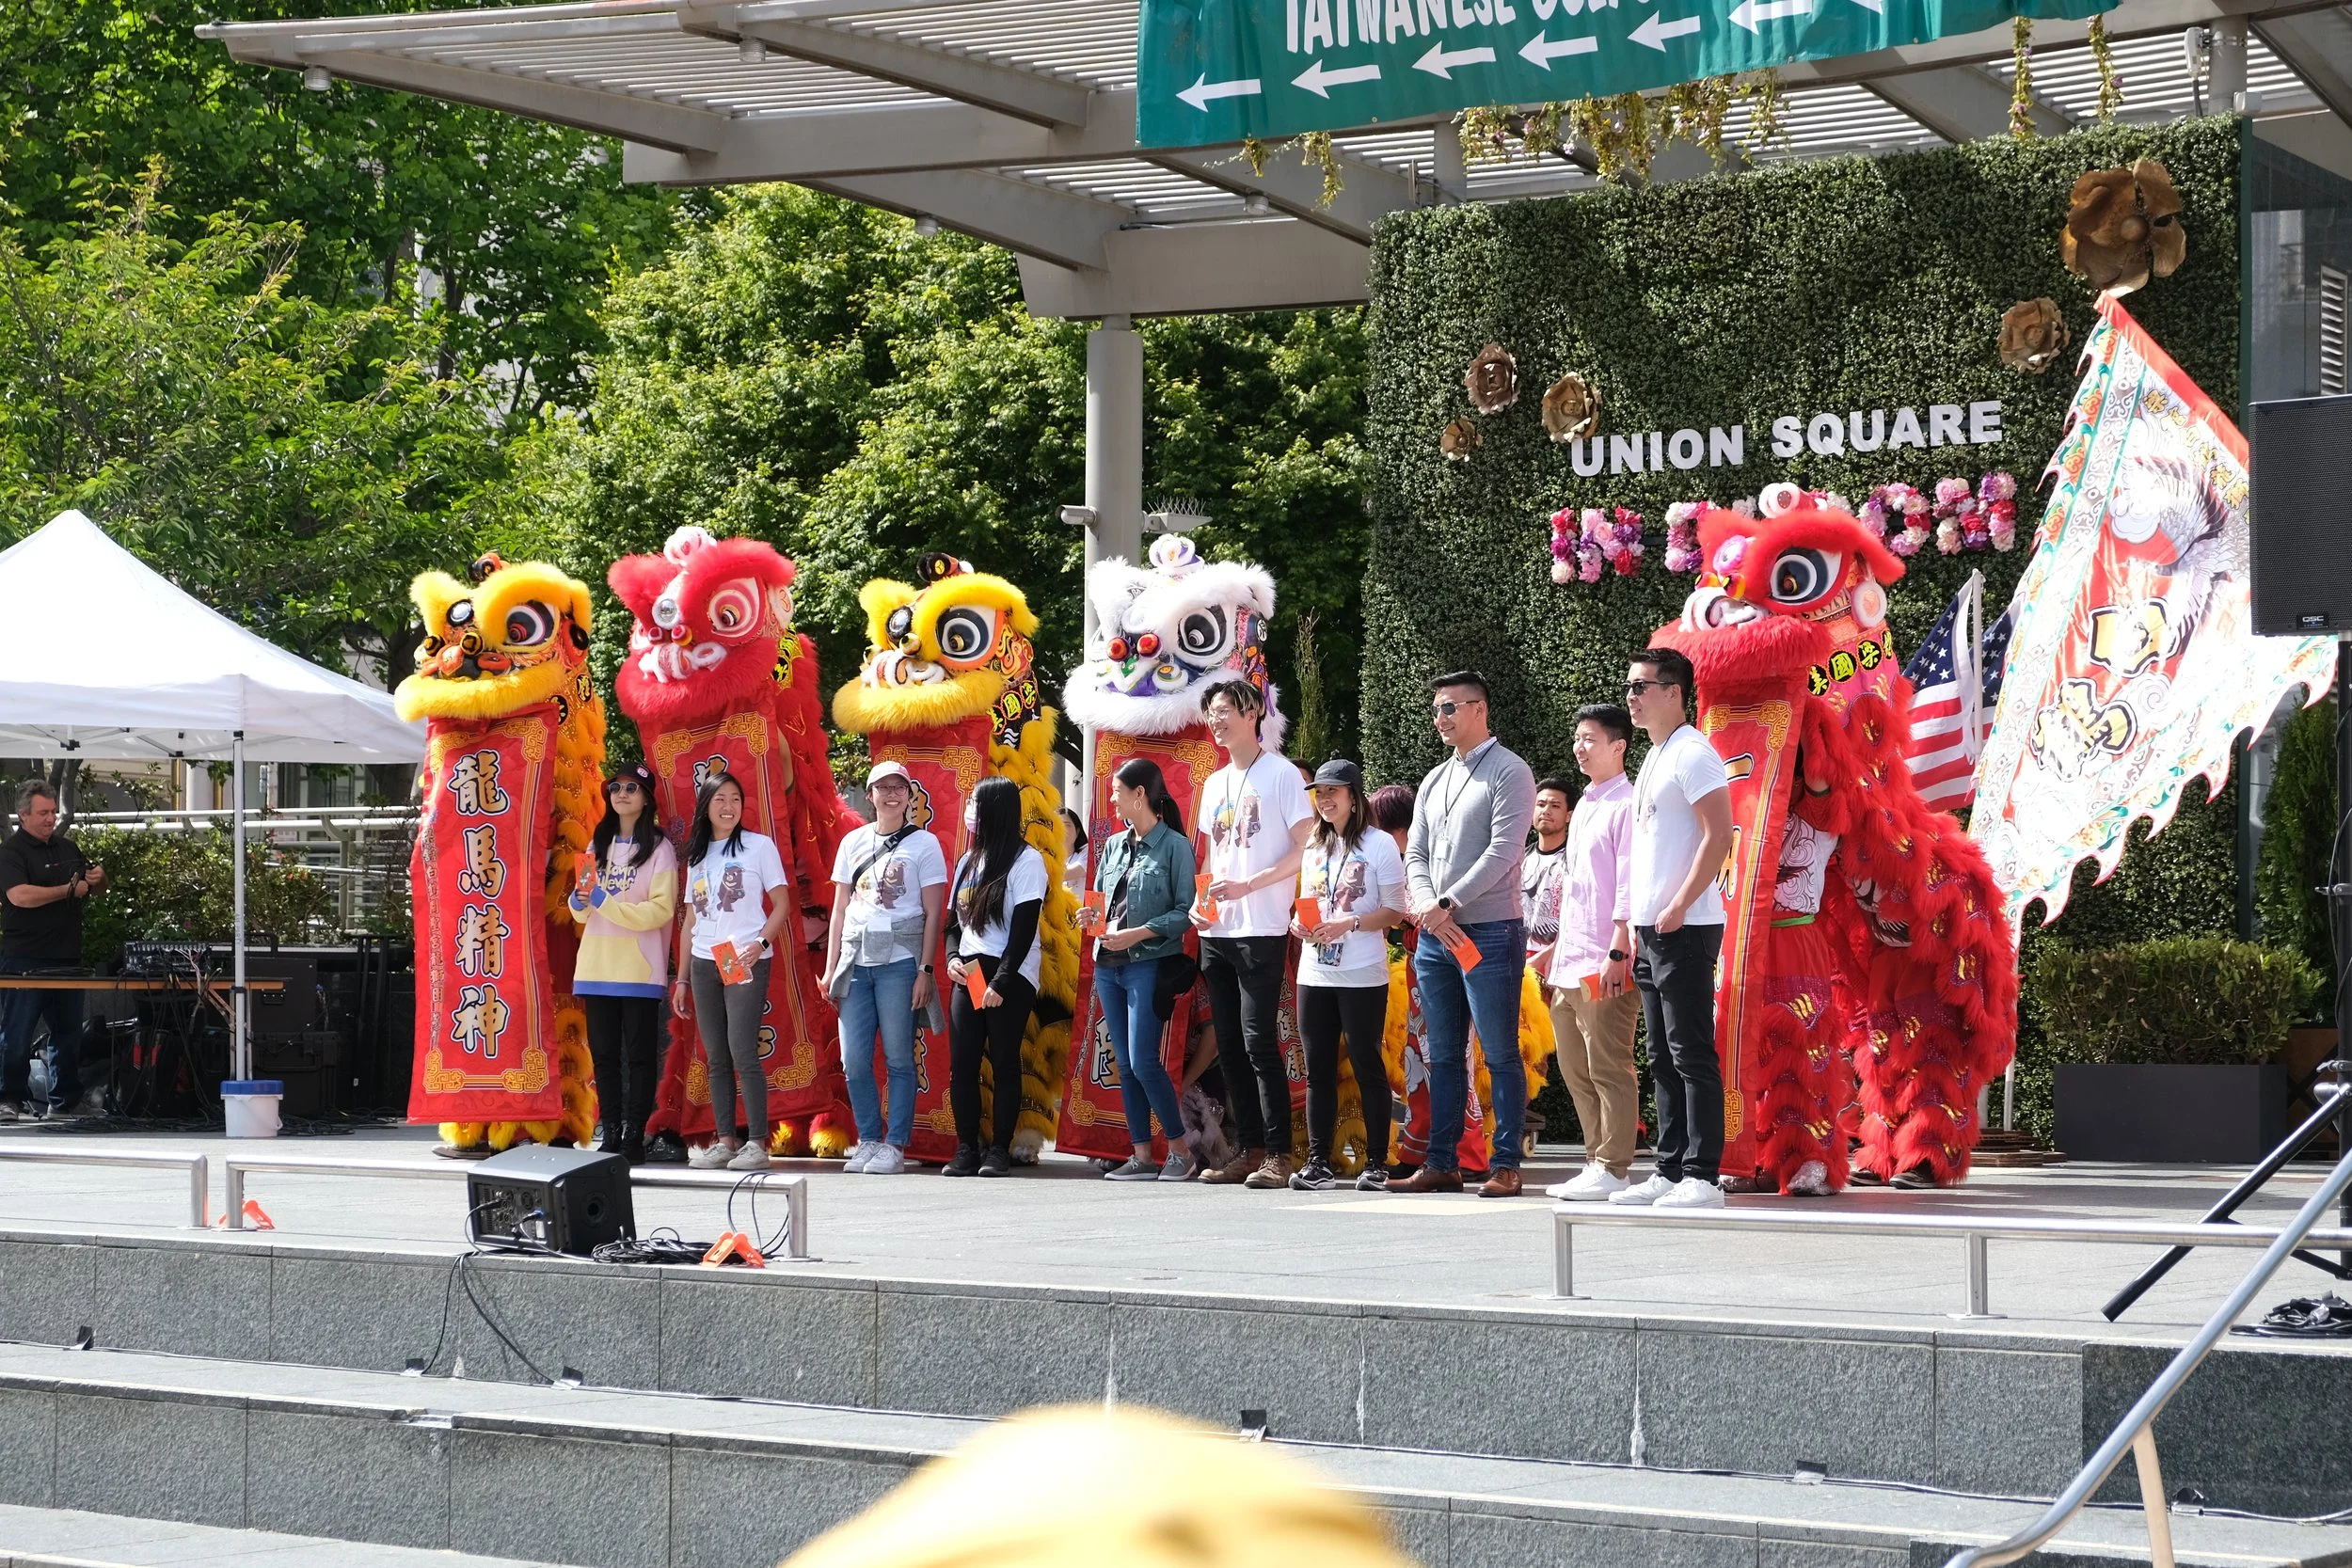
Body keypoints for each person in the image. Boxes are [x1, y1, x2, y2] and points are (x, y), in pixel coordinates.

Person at [1402, 671, 1537, 1198]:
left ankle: (1506, 1164)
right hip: (1437, 934)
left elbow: (1505, 851)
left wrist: (1445, 902)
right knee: (1443, 1052)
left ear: (1480, 709)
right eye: (1436, 709)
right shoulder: (1435, 778)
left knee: (1499, 1051)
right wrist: (1423, 903)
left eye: (1450, 708)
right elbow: (1415, 852)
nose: (1440, 719)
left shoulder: (1510, 771)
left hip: (1490, 929)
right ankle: (1443, 1161)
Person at [1610, 647, 1734, 1211]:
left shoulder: (1693, 753)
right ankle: (1669, 1167)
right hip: (1653, 926)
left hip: (1686, 925)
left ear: (1674, 692)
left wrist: (1682, 902)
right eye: (1629, 686)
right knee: (1659, 1052)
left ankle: (1703, 1175)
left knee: (1690, 1051)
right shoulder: (1656, 755)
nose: (1631, 696)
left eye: (1641, 687)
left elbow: (1720, 834)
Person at [1191, 679, 1314, 1189]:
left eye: (1224, 711)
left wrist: (1250, 886)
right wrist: (1202, 908)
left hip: (1261, 927)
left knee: (1259, 1041)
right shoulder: (1214, 782)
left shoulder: (1282, 774)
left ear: (1251, 712)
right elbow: (1210, 857)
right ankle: (1249, 1150)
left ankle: (1279, 1155)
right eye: (1211, 713)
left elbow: (1306, 847)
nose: (1216, 721)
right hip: (1216, 932)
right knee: (1228, 1043)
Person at [823, 761, 947, 1177]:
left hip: (900, 962)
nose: (891, 795)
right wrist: (830, 969)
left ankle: (895, 1143)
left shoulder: (925, 845)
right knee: (853, 1059)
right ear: (871, 794)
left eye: (900, 788)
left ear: (910, 796)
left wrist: (926, 969)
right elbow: (839, 909)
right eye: (883, 788)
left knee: (898, 1056)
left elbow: (933, 914)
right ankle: (869, 1139)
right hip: (855, 962)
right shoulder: (852, 842)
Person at [1289, 760, 1405, 1192]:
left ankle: (1376, 1163)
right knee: (1317, 1069)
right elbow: (1305, 902)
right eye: (1319, 793)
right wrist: (1298, 925)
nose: (1325, 800)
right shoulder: (1314, 847)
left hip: (1361, 972)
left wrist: (1350, 924)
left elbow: (1394, 910)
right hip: (1314, 971)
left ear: (1355, 796)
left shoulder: (1379, 845)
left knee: (1365, 1064)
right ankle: (1319, 1162)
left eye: (1334, 791)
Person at [1542, 708, 1644, 1202]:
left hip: (1606, 958)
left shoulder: (1627, 804)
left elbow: (1628, 885)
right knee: (1574, 1068)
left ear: (1618, 746)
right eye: (1577, 739)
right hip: (1570, 961)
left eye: (1590, 740)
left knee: (1608, 1064)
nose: (1580, 748)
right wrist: (1556, 951)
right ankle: (1593, 1160)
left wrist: (1618, 951)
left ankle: (1615, 1165)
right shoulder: (1583, 805)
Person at [1084, 758, 1201, 1182]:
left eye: (1117, 791)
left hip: (1147, 964)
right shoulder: (1114, 845)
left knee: (1144, 1060)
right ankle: (1140, 1156)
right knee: (1127, 1065)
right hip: (1107, 964)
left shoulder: (1174, 846)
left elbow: (1185, 912)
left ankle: (1179, 1149)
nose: (1112, 799)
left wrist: (1138, 934)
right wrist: (1090, 919)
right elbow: (1100, 900)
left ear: (1139, 795)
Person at [673, 771, 792, 1171]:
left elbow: (781, 904)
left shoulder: (759, 847)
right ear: (706, 805)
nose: (728, 806)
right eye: (720, 799)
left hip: (742, 958)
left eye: (735, 799)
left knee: (743, 1051)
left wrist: (759, 946)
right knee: (716, 1056)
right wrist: (683, 977)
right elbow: (691, 919)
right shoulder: (697, 854)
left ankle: (757, 1142)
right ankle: (726, 1139)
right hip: (707, 960)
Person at [568, 762, 677, 1164]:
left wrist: (603, 903)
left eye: (632, 788)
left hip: (639, 971)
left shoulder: (661, 849)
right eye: (615, 787)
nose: (622, 794)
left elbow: (660, 911)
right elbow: (581, 911)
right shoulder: (597, 844)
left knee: (640, 1056)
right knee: (605, 1057)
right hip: (595, 967)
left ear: (647, 798)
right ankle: (610, 1132)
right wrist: (578, 902)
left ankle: (635, 1135)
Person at [943, 776, 1048, 1177]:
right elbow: (954, 922)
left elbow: (1022, 932)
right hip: (970, 968)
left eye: (975, 803)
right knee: (963, 1062)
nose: (970, 810)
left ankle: (999, 1150)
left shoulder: (1027, 861)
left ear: (994, 809)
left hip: (1011, 974)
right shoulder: (970, 860)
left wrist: (1000, 984)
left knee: (1005, 1060)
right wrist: (952, 956)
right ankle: (967, 1147)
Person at [0, 781, 103, 1121]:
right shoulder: (11, 852)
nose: (50, 818)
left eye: (54, 811)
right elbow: (20, 896)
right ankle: (9, 1100)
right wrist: (68, 890)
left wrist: (99, 880)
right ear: (23, 815)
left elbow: (92, 888)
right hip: (24, 958)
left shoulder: (68, 846)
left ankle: (66, 1101)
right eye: (43, 812)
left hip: (66, 957)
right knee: (16, 1034)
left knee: (68, 1034)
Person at [1522, 777, 1575, 971]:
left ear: (1569, 815)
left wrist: (1548, 954)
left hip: (1562, 957)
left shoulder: (1576, 859)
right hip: (1518, 956)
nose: (1546, 811)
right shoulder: (1519, 858)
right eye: (1541, 804)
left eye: (1555, 805)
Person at [1059, 806, 1089, 896]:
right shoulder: (1045, 857)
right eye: (1058, 826)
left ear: (1077, 831)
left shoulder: (1087, 853)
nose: (1063, 830)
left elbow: (1074, 871)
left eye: (1067, 825)